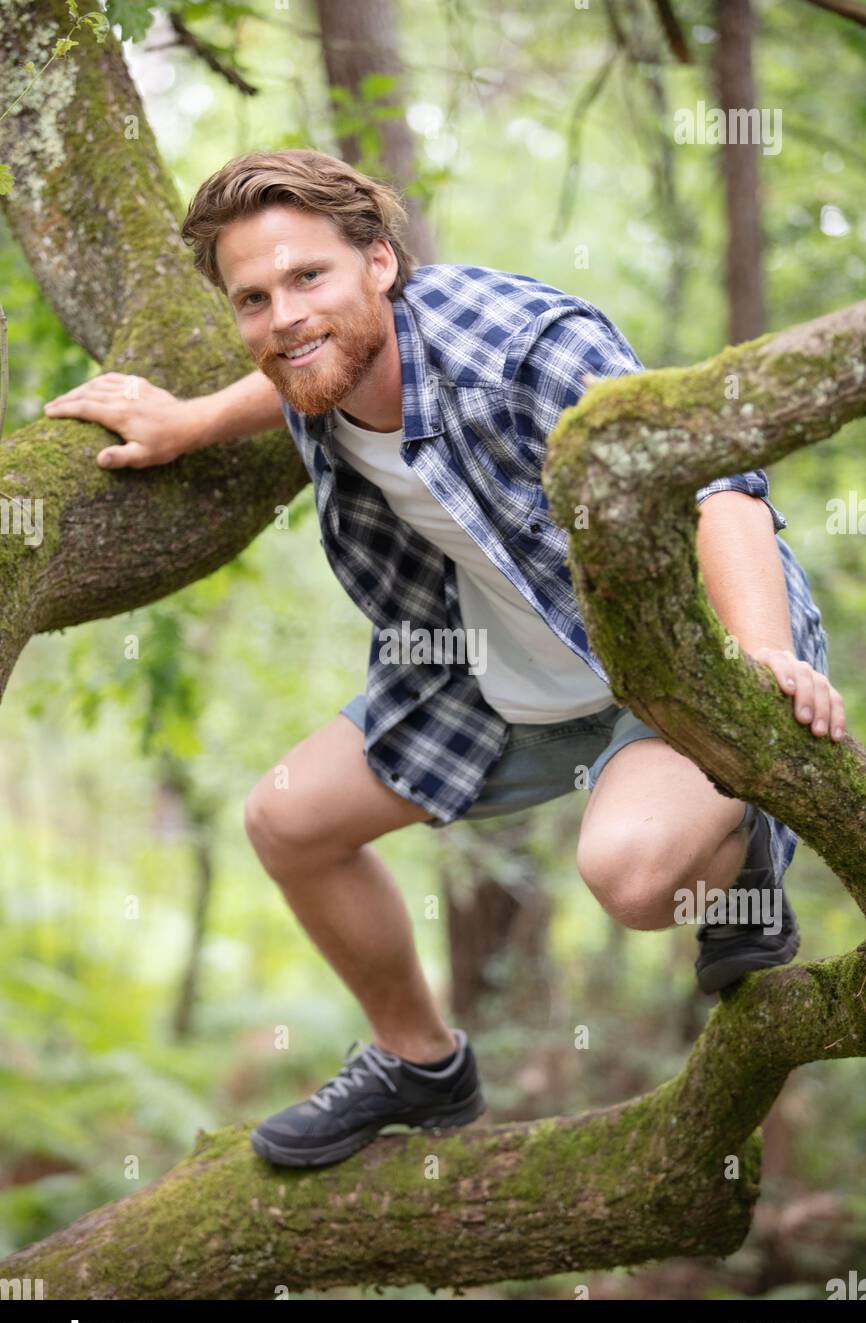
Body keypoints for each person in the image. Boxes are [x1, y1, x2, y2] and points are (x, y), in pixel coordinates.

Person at [43, 149, 845, 1170]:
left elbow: (717, 488)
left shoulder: (522, 346)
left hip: (685, 654)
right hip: (496, 674)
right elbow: (295, 374)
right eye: (252, 298)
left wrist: (758, 664)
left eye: (306, 277)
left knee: (632, 880)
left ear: (379, 261)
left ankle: (743, 865)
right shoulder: (315, 354)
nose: (282, 315)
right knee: (286, 819)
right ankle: (420, 1062)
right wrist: (188, 420)